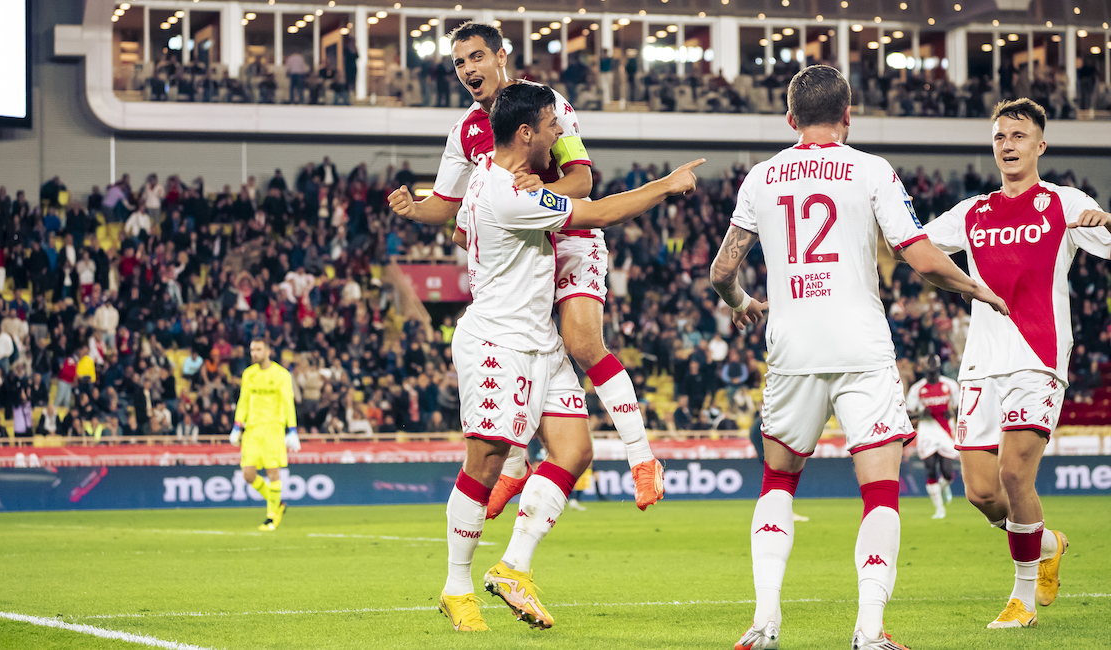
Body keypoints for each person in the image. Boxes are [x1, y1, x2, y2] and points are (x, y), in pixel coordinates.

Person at [711, 65, 1008, 650]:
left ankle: (764, 623)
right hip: (862, 349)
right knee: (880, 492)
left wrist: (743, 302)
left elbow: (722, 271)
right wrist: (977, 289)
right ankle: (869, 631)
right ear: (849, 115)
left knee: (777, 481)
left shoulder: (761, 177)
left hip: (793, 349)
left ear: (790, 119)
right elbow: (920, 258)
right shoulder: (872, 170)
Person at [433, 81, 701, 632]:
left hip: (540, 341)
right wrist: (667, 185)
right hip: (497, 343)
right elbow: (597, 212)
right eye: (553, 126)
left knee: (574, 451)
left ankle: (512, 568)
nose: (561, 134)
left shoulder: (498, 179)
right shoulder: (508, 194)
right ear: (526, 133)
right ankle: (456, 587)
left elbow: (464, 229)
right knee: (482, 463)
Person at [388, 22, 663, 519]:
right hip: (518, 252)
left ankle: (641, 458)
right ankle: (515, 463)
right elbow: (446, 207)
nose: (468, 70)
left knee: (581, 343)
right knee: (505, 340)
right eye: (458, 63)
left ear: (500, 56)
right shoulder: (465, 132)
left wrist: (534, 190)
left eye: (476, 57)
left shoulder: (545, 105)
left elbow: (581, 180)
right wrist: (414, 208)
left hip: (570, 235)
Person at [920, 98, 1111, 629]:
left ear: (1040, 145)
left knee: (1013, 472)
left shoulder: (1063, 202)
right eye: (1001, 136)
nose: (1008, 145)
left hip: (1038, 357)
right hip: (981, 362)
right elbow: (916, 247)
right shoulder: (973, 212)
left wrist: (1106, 219)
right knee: (983, 492)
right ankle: (1046, 541)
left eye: (1019, 136)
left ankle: (1022, 598)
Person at [231, 337, 299, 531]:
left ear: (268, 351)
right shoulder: (248, 374)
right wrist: (237, 426)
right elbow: (243, 401)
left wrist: (292, 429)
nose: (254, 353)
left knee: (272, 472)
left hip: (273, 428)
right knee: (248, 474)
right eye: (252, 350)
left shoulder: (281, 374)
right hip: (252, 429)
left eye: (258, 350)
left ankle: (271, 517)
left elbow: (287, 402)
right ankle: (275, 501)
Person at [905, 354, 960, 519]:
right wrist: (921, 413)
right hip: (927, 431)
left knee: (948, 472)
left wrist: (951, 412)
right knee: (930, 469)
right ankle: (939, 509)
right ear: (925, 369)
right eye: (929, 368)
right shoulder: (917, 388)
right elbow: (908, 412)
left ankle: (945, 485)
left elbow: (959, 408)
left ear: (938, 367)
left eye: (934, 368)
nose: (932, 371)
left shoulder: (950, 385)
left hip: (945, 432)